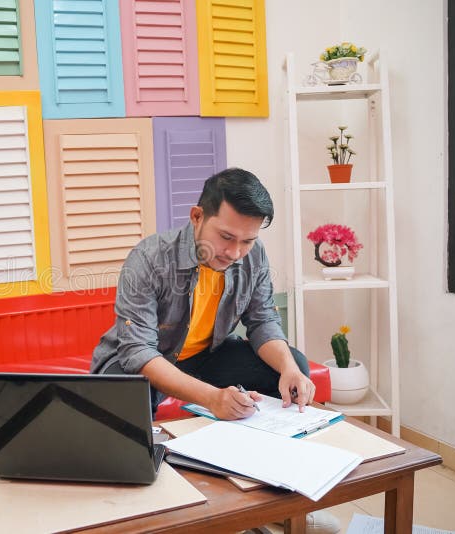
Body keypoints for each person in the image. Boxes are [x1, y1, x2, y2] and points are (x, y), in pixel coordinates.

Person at [91, 168, 341, 534]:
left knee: (292, 366)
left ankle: (267, 496)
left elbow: (262, 322)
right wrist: (213, 398)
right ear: (197, 217)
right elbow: (138, 352)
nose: (235, 252)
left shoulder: (252, 257)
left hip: (207, 354)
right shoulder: (149, 258)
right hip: (144, 361)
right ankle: (164, 512)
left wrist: (289, 367)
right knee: (124, 400)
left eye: (247, 241)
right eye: (226, 237)